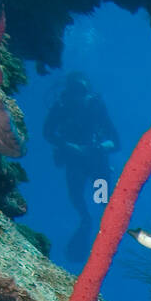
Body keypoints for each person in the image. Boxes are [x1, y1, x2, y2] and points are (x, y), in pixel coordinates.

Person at [42, 72, 120, 262]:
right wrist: (68, 146)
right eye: (74, 91)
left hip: (97, 163)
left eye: (81, 90)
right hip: (74, 162)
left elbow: (116, 142)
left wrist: (97, 148)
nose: (78, 96)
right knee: (76, 195)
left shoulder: (96, 106)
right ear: (68, 91)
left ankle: (104, 230)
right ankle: (86, 220)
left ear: (87, 91)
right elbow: (47, 132)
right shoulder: (61, 107)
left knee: (101, 198)